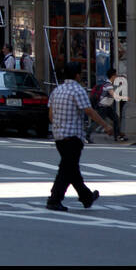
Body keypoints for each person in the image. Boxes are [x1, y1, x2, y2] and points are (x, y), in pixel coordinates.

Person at [46, 61, 110, 211]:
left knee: (71, 168)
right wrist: (106, 125)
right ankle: (54, 199)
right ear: (76, 75)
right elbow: (89, 111)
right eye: (80, 73)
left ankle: (86, 197)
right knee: (66, 169)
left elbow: (50, 115)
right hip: (73, 136)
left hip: (59, 137)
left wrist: (59, 126)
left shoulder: (57, 91)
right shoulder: (78, 90)